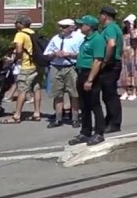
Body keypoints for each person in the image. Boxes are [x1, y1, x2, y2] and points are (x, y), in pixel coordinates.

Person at [70, 16, 106, 145]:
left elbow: (98, 61)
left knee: (94, 104)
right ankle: (85, 131)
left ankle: (99, 132)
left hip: (90, 74)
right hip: (81, 73)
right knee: (83, 105)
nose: (80, 27)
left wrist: (90, 80)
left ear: (89, 27)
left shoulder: (97, 39)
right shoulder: (86, 39)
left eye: (82, 25)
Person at [43, 18, 84, 128]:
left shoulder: (79, 38)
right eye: (60, 26)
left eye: (64, 27)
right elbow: (47, 54)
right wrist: (55, 54)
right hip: (56, 67)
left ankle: (75, 118)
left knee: (74, 93)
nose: (61, 29)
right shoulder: (55, 38)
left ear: (72, 27)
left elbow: (83, 54)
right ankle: (58, 118)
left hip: (71, 67)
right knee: (58, 94)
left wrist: (69, 54)